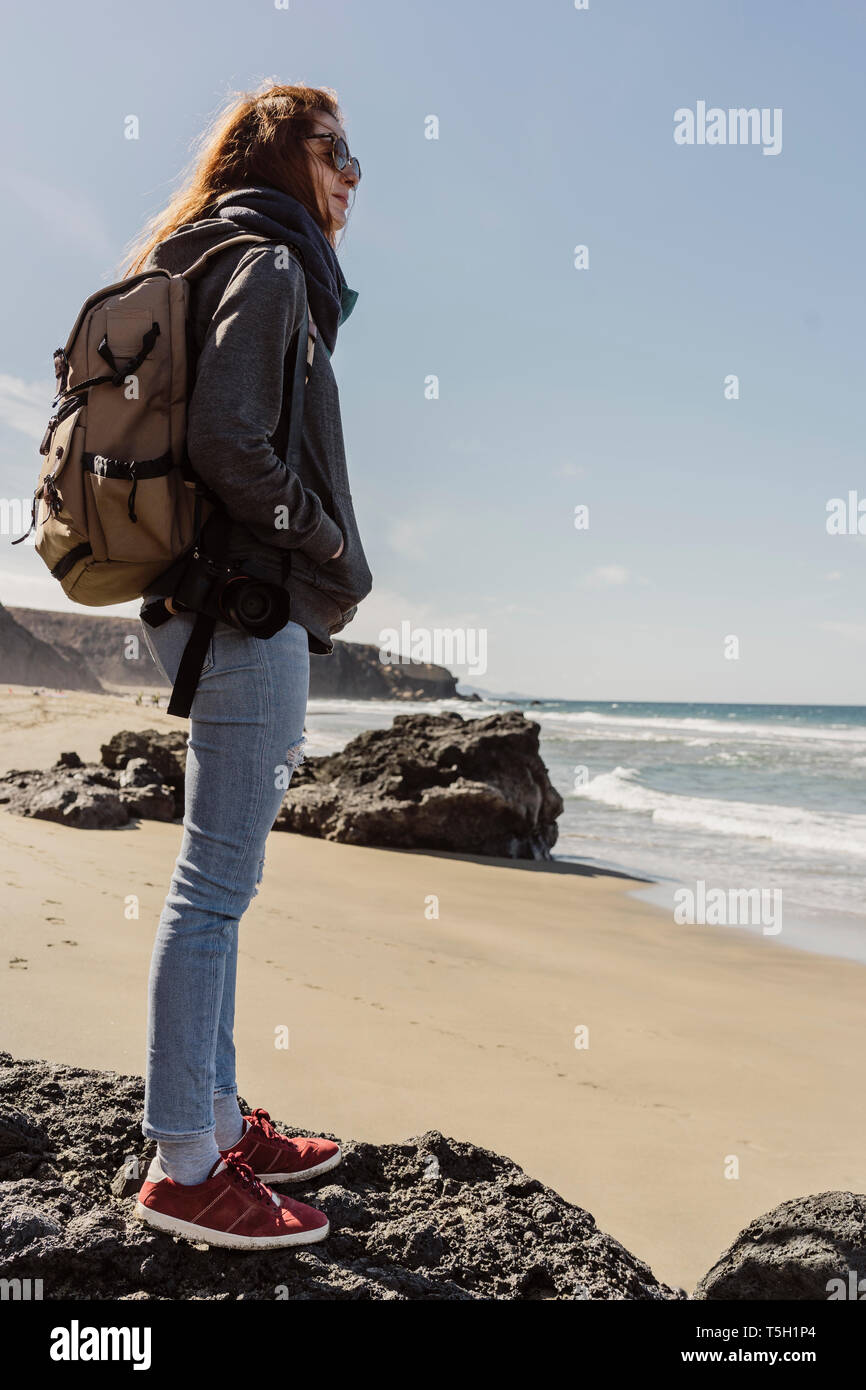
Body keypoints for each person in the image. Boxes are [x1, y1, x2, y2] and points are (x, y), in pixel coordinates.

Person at [121, 82, 373, 1249]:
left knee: (214, 889)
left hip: (197, 598)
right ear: (286, 155)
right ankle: (185, 1165)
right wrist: (319, 536)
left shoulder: (203, 252)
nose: (354, 176)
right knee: (212, 892)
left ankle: (215, 1120)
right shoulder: (267, 264)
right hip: (243, 603)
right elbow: (230, 439)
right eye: (336, 150)